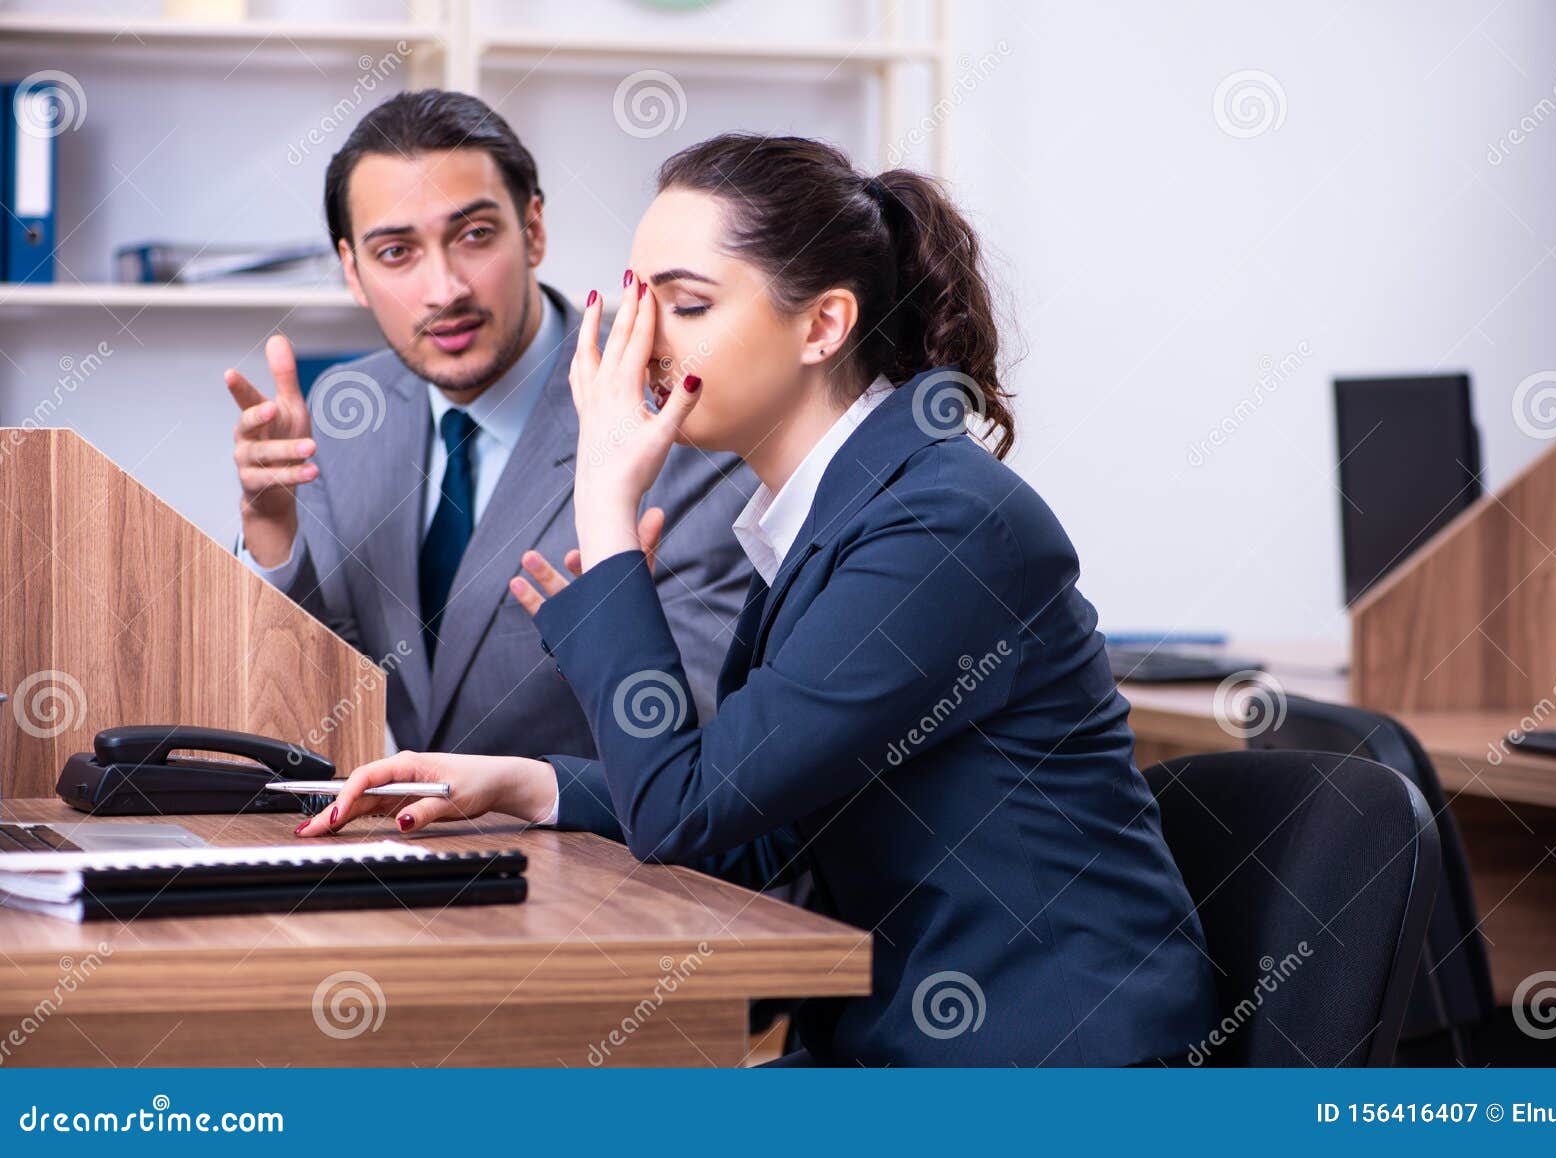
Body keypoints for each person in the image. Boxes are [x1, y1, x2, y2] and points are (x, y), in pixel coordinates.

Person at [298, 133, 1219, 1067]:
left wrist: (608, 509)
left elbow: (685, 811)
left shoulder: (939, 525)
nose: (642, 340)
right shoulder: (836, 512)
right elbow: (745, 816)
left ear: (821, 327)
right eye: (642, 300)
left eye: (687, 305)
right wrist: (516, 783)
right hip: (901, 1041)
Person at [225, 91, 753, 766]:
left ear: (533, 229)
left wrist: (610, 625)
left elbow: (708, 747)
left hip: (608, 862)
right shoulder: (345, 411)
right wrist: (271, 527)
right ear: (352, 271)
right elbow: (319, 684)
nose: (444, 288)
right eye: (395, 253)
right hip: (409, 858)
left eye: (474, 236)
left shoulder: (678, 414)